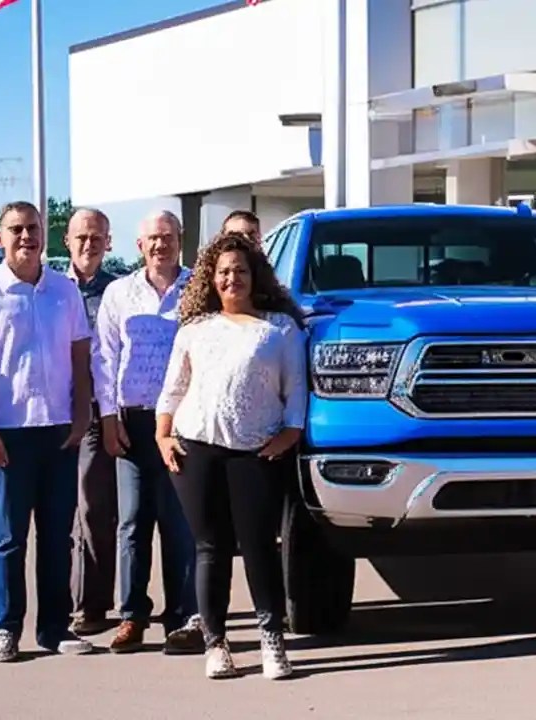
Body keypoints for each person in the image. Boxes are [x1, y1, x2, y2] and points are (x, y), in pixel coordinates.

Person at [0, 200, 95, 662]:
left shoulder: (64, 293)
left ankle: (54, 628)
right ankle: (4, 628)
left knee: (57, 536)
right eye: (17, 229)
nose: (27, 237)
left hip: (57, 432)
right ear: (0, 238)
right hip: (6, 434)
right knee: (10, 538)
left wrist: (81, 415)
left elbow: (79, 357)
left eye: (33, 228)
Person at [156, 231, 306, 680]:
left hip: (256, 452)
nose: (232, 278)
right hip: (196, 449)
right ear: (211, 279)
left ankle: (272, 641)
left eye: (240, 270)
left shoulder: (280, 328)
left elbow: (295, 390)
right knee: (210, 548)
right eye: (223, 272)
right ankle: (216, 644)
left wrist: (289, 434)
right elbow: (173, 389)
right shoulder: (195, 329)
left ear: (254, 275)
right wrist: (163, 436)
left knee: (260, 547)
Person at [94, 210, 203, 654]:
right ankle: (132, 616)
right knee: (133, 522)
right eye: (152, 239)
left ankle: (183, 617)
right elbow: (103, 358)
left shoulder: (199, 287)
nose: (160, 245)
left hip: (184, 421)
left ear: (181, 240)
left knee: (181, 524)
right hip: (134, 421)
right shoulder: (120, 293)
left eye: (168, 236)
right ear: (139, 246)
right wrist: (108, 417)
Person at [65, 208, 121, 637]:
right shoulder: (47, 289)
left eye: (97, 237)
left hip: (98, 415)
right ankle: (59, 600)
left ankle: (93, 605)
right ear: (67, 240)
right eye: (82, 237)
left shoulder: (117, 293)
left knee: (95, 509)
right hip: (49, 414)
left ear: (108, 242)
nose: (89, 244)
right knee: (56, 515)